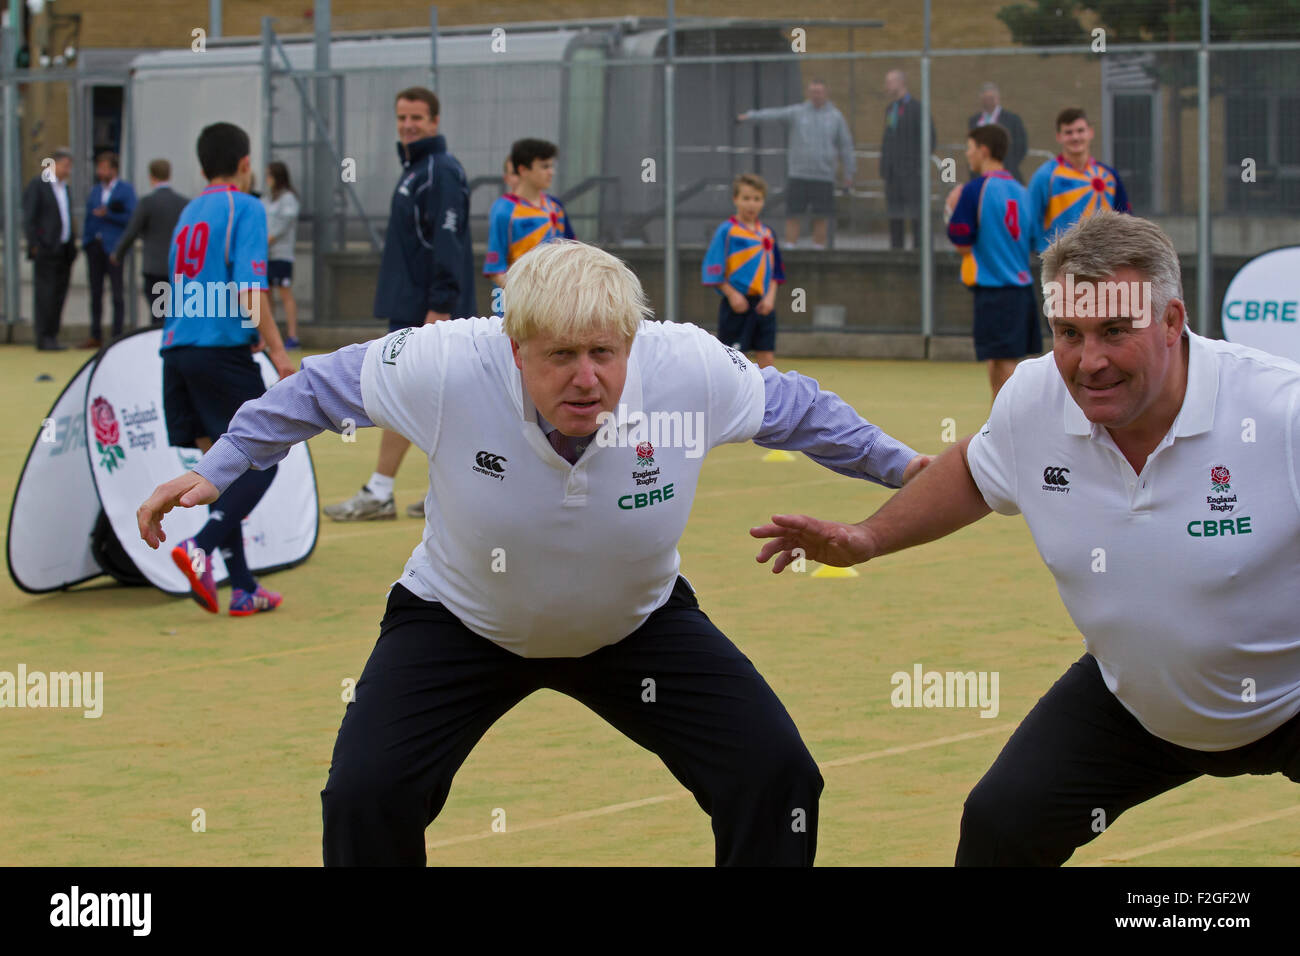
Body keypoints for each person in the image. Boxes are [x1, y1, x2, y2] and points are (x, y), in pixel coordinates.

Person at [136, 239, 933, 866]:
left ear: (631, 343)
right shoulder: (448, 364)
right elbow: (317, 389)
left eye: (604, 354)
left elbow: (799, 410)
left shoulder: (682, 363)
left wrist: (910, 470)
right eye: (561, 356)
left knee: (777, 779)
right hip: (461, 622)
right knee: (363, 797)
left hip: (637, 627)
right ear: (515, 348)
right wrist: (217, 469)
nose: (587, 379)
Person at [752, 209, 1300, 866]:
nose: (1088, 361)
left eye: (1113, 332)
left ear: (1172, 322)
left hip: (1288, 697)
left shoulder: (1277, 411)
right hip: (1135, 697)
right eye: (1068, 332)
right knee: (1000, 829)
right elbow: (975, 473)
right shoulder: (1035, 397)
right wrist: (866, 538)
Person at [159, 121, 295, 617]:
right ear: (245, 164)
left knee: (223, 467)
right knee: (264, 455)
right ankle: (202, 545)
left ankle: (242, 587)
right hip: (220, 349)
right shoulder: (247, 206)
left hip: (177, 349)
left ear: (200, 168)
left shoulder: (188, 211)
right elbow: (249, 287)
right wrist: (279, 354)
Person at [324, 86, 475, 522]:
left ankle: (383, 491)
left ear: (435, 122)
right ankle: (447, 493)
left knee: (407, 395)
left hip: (428, 311)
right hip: (412, 306)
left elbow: (447, 242)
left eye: (417, 118)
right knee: (425, 398)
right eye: (402, 118)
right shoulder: (416, 170)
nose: (408, 125)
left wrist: (440, 307)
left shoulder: (440, 170)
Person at [944, 124, 1038, 399]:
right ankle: (1002, 425)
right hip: (1022, 290)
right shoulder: (1022, 191)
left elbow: (961, 239)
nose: (967, 155)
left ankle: (1011, 426)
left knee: (1002, 364)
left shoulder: (974, 190)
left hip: (995, 290)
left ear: (983, 151)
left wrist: (952, 209)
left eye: (970, 148)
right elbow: (1033, 240)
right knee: (1004, 361)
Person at [737, 78, 855, 250]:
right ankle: (791, 246)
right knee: (793, 213)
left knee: (821, 215)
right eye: (813, 92)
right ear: (808, 93)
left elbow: (846, 145)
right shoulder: (797, 113)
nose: (816, 96)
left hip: (824, 176)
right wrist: (750, 117)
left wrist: (849, 173)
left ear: (825, 93)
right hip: (799, 174)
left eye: (819, 92)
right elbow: (773, 114)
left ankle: (819, 248)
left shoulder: (835, 117)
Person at [484, 138, 574, 316]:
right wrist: (529, 296)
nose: (551, 172)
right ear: (523, 170)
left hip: (554, 307)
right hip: (516, 309)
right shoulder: (504, 210)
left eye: (551, 166)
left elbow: (572, 253)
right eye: (544, 166)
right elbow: (496, 269)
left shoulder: (555, 207)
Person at [703, 173, 784, 369]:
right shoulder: (727, 231)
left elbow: (776, 273)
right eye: (746, 198)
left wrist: (770, 299)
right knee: (736, 361)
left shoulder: (767, 233)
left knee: (767, 359)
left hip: (762, 306)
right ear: (735, 199)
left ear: (763, 201)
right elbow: (713, 269)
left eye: (757, 199)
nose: (751, 204)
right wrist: (732, 295)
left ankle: (767, 399)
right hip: (737, 305)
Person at [1028, 107, 1130, 254]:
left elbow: (1125, 220)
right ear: (1059, 137)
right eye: (1068, 132)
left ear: (1090, 132)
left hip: (1103, 260)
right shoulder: (1045, 175)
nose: (1075, 137)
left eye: (1080, 131)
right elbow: (1030, 221)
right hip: (1058, 262)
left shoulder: (1109, 175)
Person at [111, 158, 188, 328]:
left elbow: (132, 231)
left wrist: (118, 253)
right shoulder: (183, 203)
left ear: (151, 177)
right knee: (175, 310)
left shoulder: (147, 203)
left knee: (157, 312)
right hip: (178, 265)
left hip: (154, 266)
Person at [21, 146, 77, 351]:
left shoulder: (65, 189)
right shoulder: (39, 185)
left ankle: (53, 334)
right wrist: (35, 244)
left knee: (59, 294)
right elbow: (30, 218)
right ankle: (43, 336)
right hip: (46, 249)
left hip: (64, 249)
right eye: (65, 165)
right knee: (46, 293)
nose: (67, 170)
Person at [81, 151, 137, 348]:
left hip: (114, 248)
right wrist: (86, 241)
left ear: (113, 170)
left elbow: (132, 219)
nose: (100, 172)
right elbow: (89, 216)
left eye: (104, 168)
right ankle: (95, 334)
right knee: (95, 292)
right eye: (99, 168)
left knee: (117, 293)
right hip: (94, 247)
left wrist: (109, 214)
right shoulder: (95, 191)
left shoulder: (125, 190)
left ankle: (116, 336)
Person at [879, 70, 936, 251]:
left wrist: (917, 163)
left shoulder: (917, 108)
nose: (887, 86)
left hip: (912, 173)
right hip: (892, 173)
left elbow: (930, 138)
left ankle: (919, 250)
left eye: (890, 82)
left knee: (916, 214)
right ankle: (896, 250)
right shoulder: (890, 109)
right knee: (895, 215)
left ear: (901, 82)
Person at [263, 161, 301, 348]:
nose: (267, 179)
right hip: (266, 255)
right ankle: (271, 337)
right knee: (267, 295)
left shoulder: (288, 198)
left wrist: (268, 239)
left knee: (285, 294)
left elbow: (282, 225)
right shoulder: (267, 199)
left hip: (281, 255)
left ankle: (293, 336)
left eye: (270, 175)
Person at [967, 83, 1027, 184]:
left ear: (997, 98)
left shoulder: (1012, 120)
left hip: (1006, 172)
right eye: (985, 98)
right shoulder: (974, 121)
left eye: (991, 98)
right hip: (979, 175)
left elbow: (1021, 145)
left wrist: (1010, 163)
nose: (988, 101)